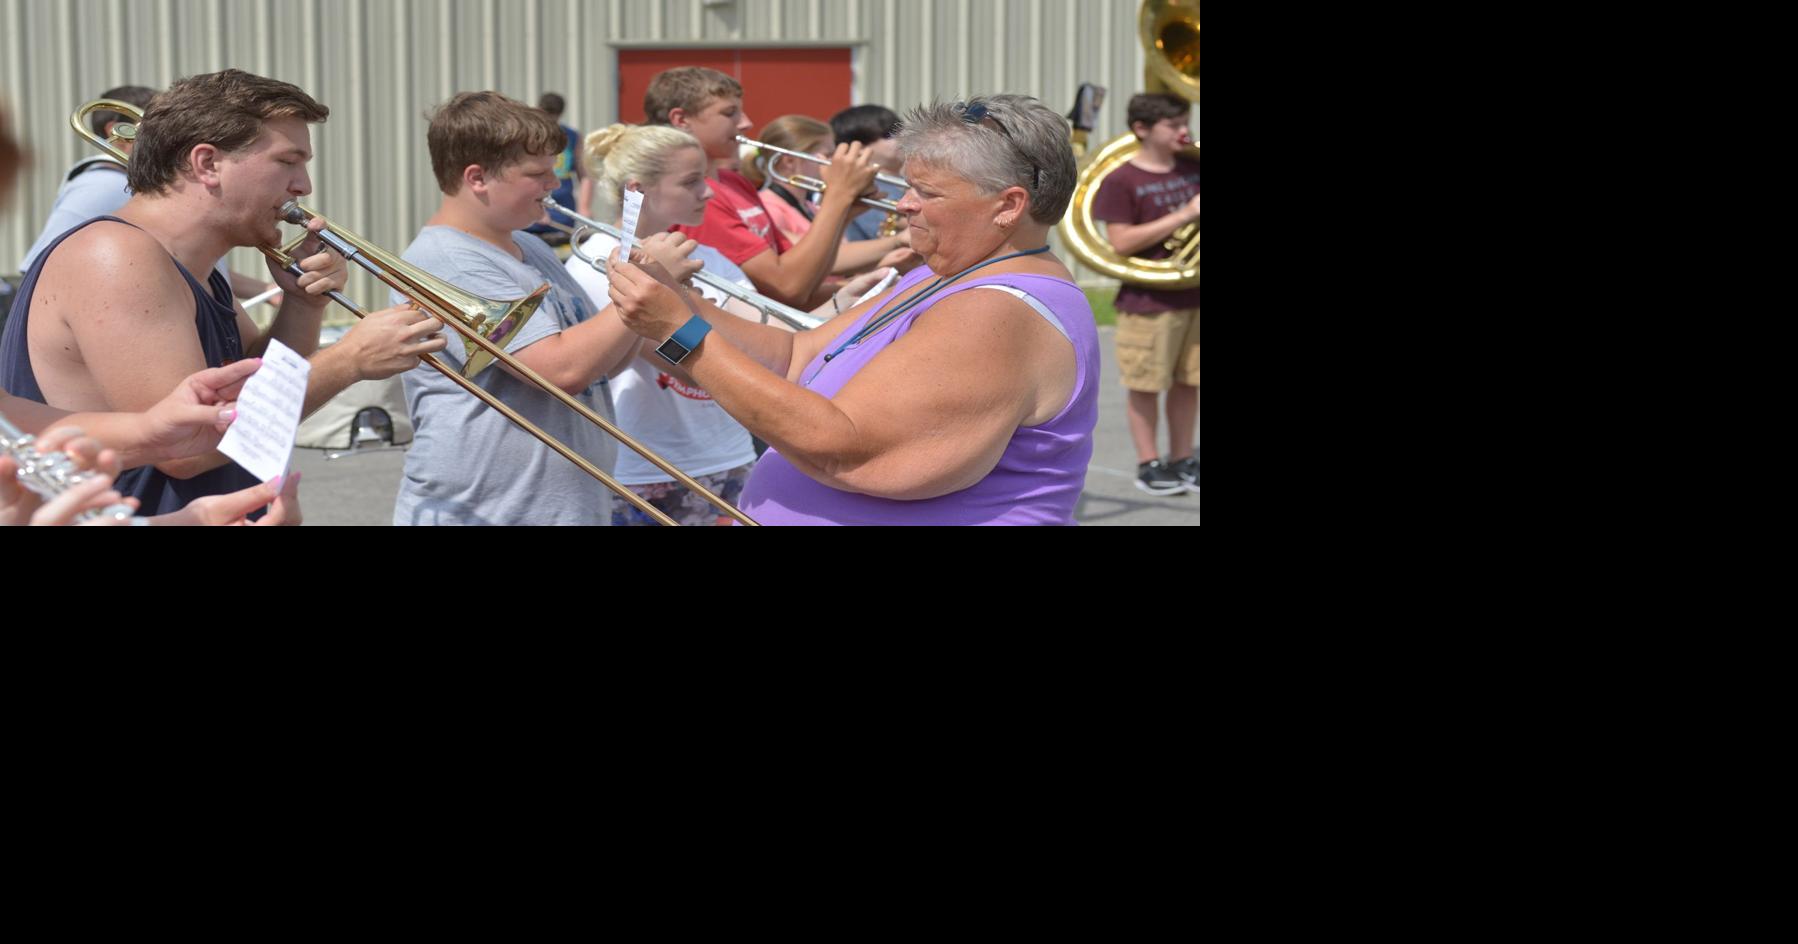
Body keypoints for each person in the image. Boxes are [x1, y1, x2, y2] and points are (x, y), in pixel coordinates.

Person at [605, 95, 1100, 526]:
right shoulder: (944, 273)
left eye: (927, 193)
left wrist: (680, 332)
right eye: (909, 186)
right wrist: (677, 299)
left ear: (1009, 205)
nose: (903, 204)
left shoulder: (994, 311)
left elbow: (846, 451)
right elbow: (796, 356)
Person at [0, 69, 446, 517]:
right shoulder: (116, 256)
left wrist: (303, 305)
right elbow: (187, 451)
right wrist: (348, 360)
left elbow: (251, 379)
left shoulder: (195, 265)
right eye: (287, 162)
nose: (303, 186)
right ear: (207, 164)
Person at [563, 123, 890, 526]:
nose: (708, 192)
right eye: (691, 182)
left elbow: (775, 339)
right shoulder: (598, 259)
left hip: (730, 455)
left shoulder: (705, 254)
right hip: (649, 469)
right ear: (638, 189)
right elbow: (682, 361)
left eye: (705, 178)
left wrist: (845, 303)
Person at [393, 91, 647, 526]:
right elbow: (561, 371)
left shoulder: (531, 247)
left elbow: (607, 365)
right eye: (537, 174)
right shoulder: (449, 261)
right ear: (477, 178)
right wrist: (641, 290)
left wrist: (644, 293)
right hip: (490, 513)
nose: (555, 184)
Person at [19, 86, 284, 308]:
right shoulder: (102, 185)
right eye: (161, 126)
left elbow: (192, 265)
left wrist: (266, 290)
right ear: (119, 130)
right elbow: (42, 267)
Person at [644, 67, 880, 310]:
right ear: (681, 120)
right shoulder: (699, 197)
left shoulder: (735, 182)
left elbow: (804, 280)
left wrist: (845, 213)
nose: (746, 123)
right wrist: (837, 197)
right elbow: (787, 287)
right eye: (730, 113)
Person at [1092, 92, 1200, 496]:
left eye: (1185, 122)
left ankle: (1183, 457)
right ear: (1141, 129)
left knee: (1189, 382)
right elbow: (1121, 242)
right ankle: (1148, 462)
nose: (1184, 131)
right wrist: (1186, 214)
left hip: (1193, 295)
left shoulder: (1192, 167)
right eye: (1173, 125)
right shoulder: (1122, 180)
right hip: (1148, 302)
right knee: (1146, 385)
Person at [742, 114, 913, 277]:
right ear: (790, 161)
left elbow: (832, 259)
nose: (835, 161)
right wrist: (897, 242)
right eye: (829, 154)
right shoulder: (770, 208)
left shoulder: (809, 206)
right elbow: (813, 264)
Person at [830, 104, 907, 243]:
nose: (901, 137)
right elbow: (886, 231)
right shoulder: (862, 188)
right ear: (858, 147)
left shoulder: (906, 181)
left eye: (900, 130)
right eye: (888, 135)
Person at [524, 91, 593, 244]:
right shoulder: (529, 136)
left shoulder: (572, 137)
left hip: (562, 208)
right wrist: (538, 209)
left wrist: (584, 206)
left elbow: (585, 176)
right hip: (533, 208)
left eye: (554, 116)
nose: (550, 121)